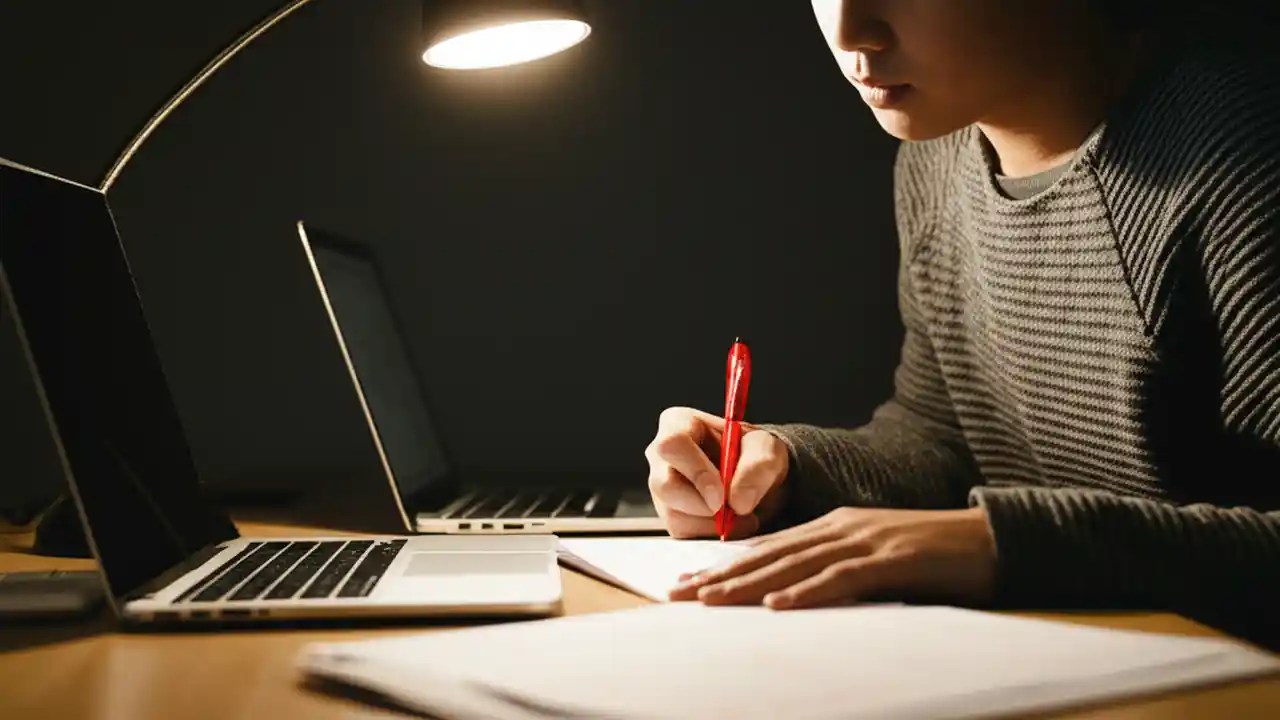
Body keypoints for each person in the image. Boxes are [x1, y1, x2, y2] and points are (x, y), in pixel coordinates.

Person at [644, 0, 1279, 646]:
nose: (849, 32)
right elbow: (946, 439)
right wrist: (784, 468)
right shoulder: (940, 159)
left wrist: (1001, 543)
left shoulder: (1240, 149)